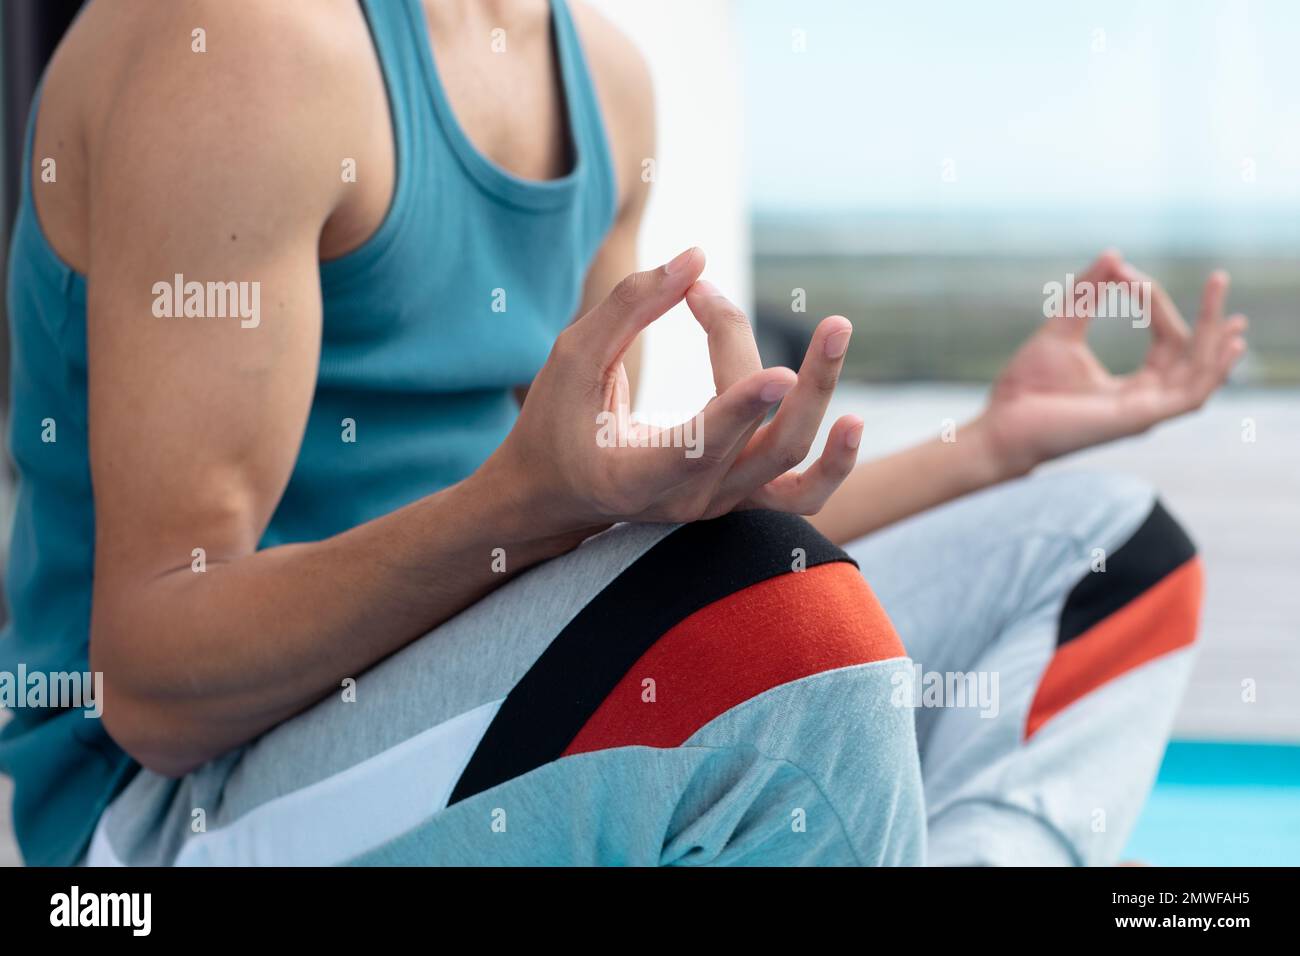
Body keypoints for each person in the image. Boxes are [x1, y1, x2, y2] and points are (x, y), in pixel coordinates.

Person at [0, 0, 1246, 866]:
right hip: (168, 814)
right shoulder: (242, 51)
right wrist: (523, 504)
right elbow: (153, 688)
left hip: (469, 694)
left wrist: (990, 441)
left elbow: (664, 545)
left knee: (1106, 553)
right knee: (778, 634)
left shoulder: (605, 76)